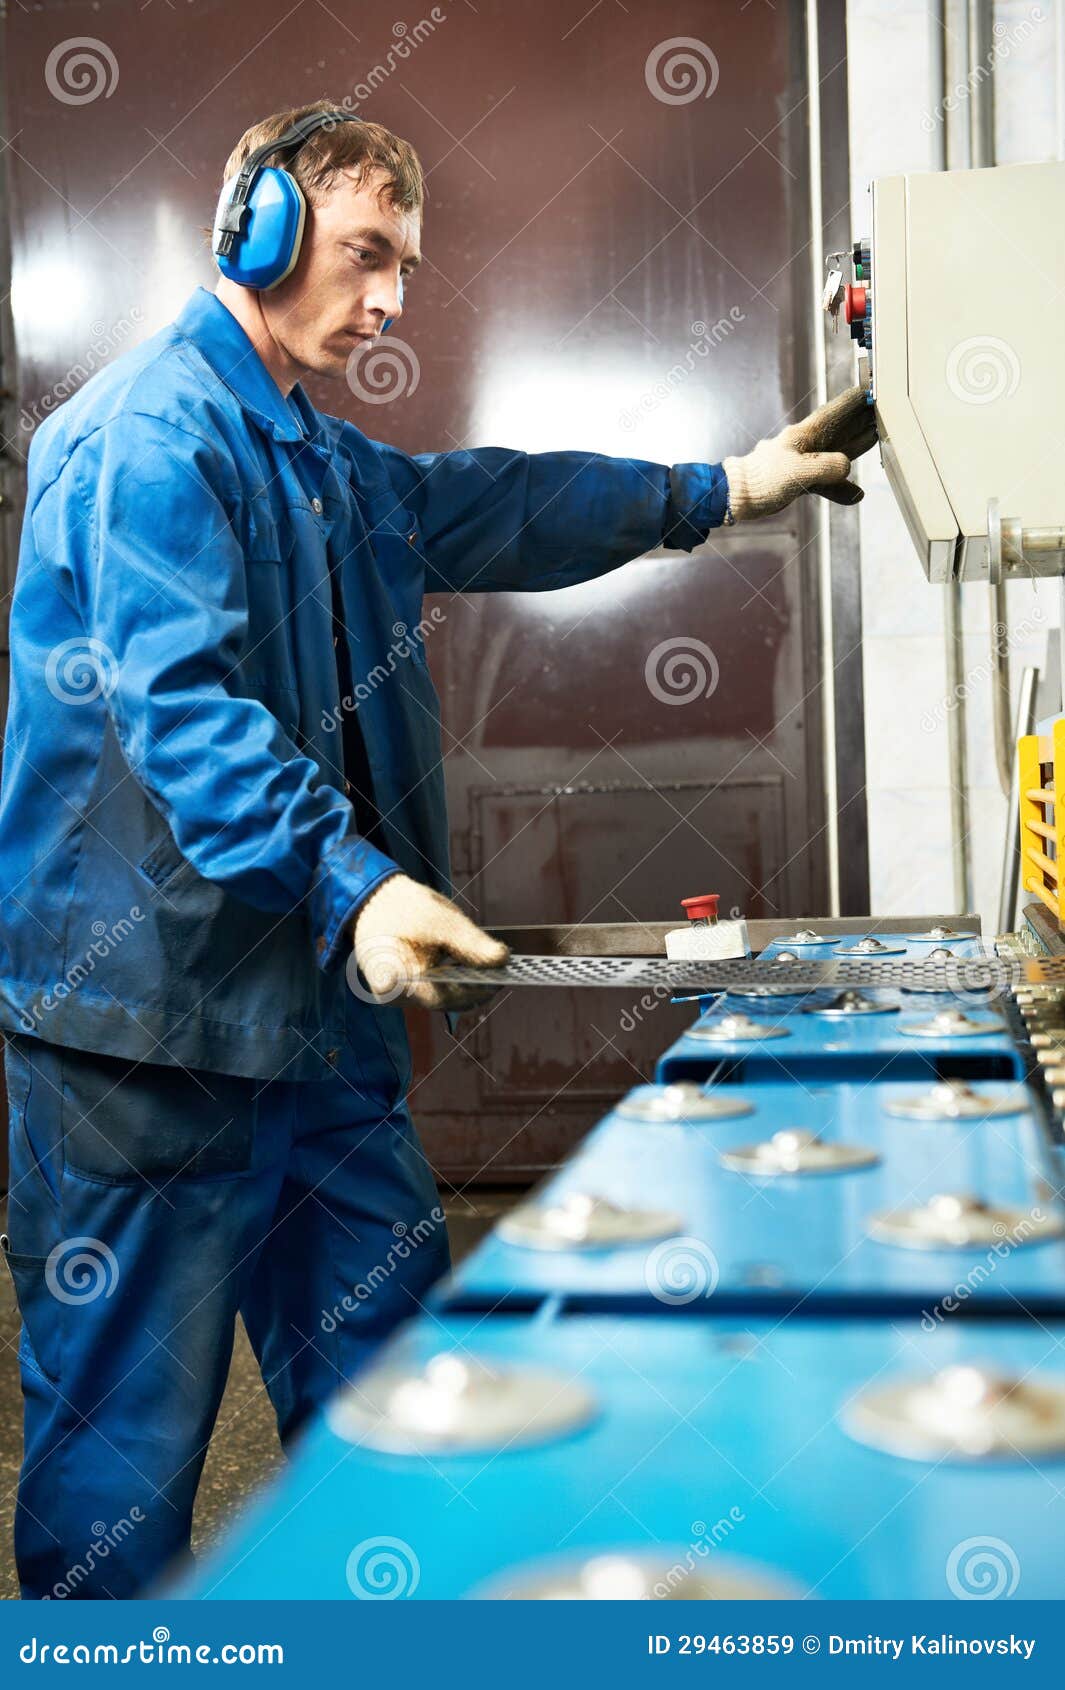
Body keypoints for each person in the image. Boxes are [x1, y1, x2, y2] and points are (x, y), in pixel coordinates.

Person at [0, 99, 876, 1597]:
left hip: (319, 1030)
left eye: (404, 262)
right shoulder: (149, 440)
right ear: (256, 229)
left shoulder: (317, 462)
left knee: (414, 1405)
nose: (393, 297)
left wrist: (722, 488)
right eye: (363, 254)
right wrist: (360, 881)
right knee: (122, 1472)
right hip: (151, 1043)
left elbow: (496, 504)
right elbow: (186, 717)